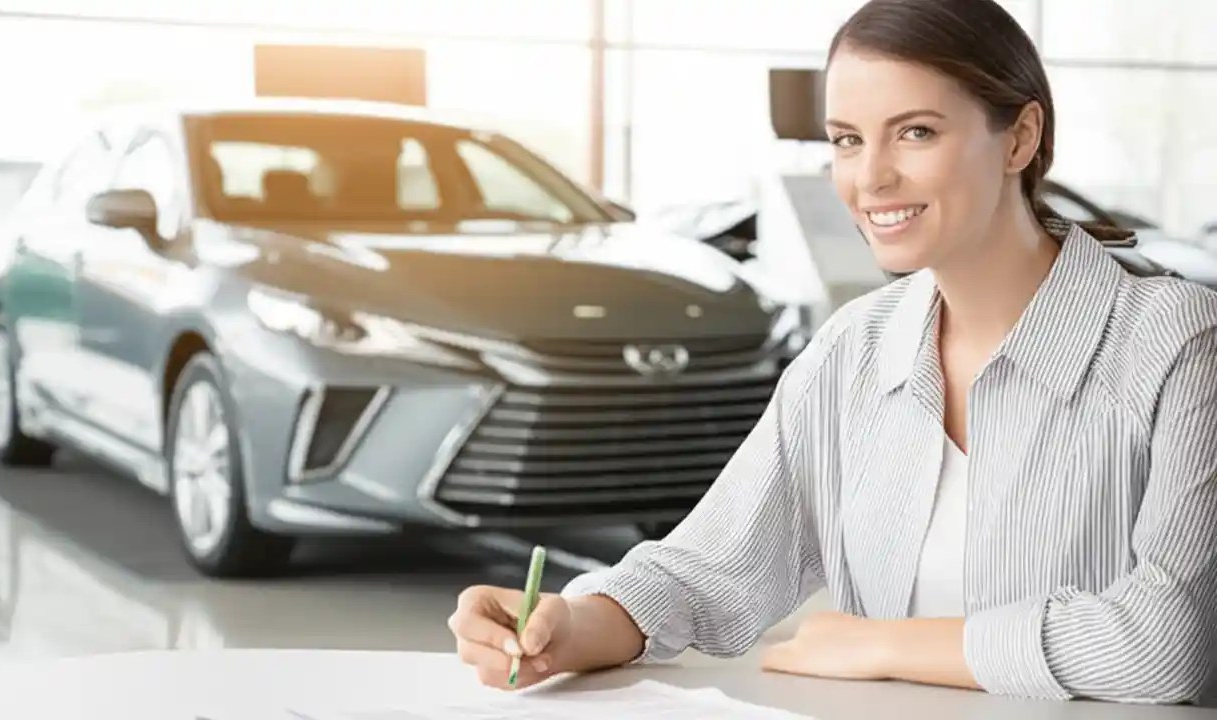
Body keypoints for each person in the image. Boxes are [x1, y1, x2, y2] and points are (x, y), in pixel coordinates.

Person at [447, 0, 1217, 704]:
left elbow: (1164, 643)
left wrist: (880, 644)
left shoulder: (1176, 345)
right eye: (847, 140)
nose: (870, 178)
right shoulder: (856, 348)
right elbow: (707, 570)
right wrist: (567, 626)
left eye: (916, 131)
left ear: (1020, 136)